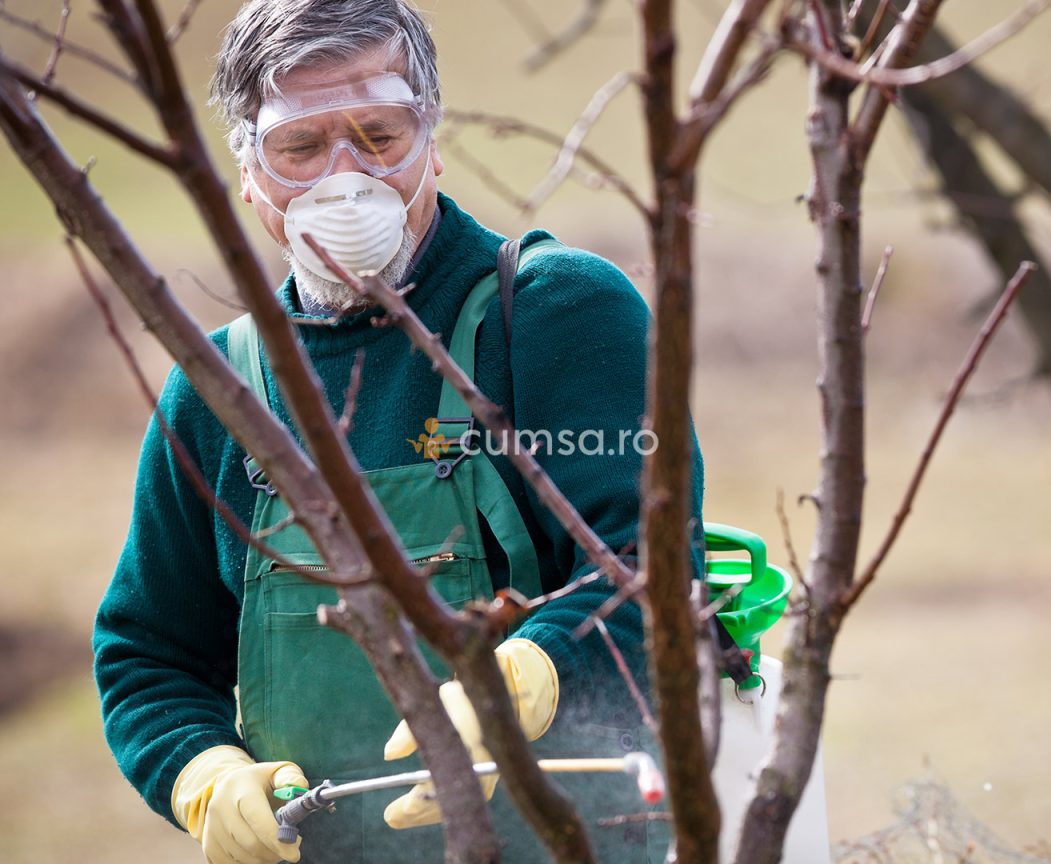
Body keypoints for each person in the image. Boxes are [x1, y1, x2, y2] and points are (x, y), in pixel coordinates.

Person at [91, 2, 704, 862]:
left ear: (432, 143)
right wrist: (201, 772)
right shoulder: (217, 391)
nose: (346, 179)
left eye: (379, 136)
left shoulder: (559, 314)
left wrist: (531, 672)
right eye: (300, 148)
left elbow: (653, 567)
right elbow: (146, 652)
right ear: (248, 176)